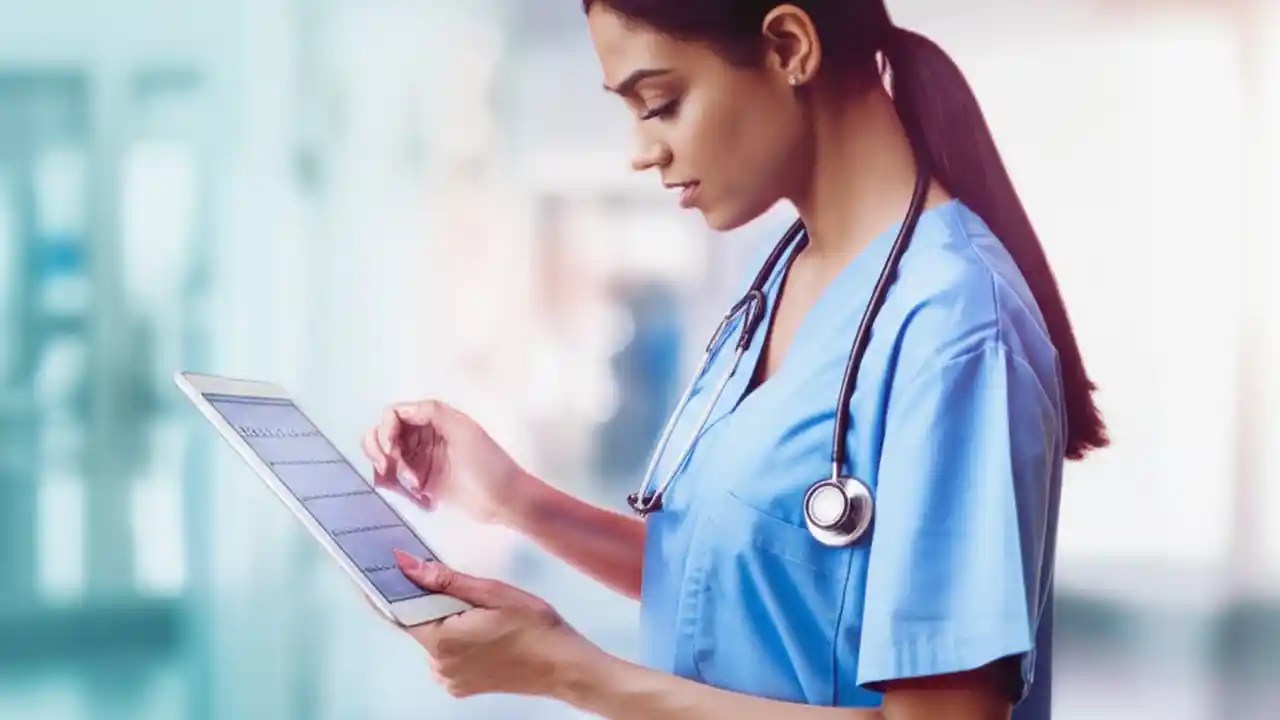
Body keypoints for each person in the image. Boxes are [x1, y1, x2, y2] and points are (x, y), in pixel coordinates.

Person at [362, 2, 1109, 718]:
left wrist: (566, 671)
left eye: (658, 103)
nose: (640, 150)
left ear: (789, 46)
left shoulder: (954, 330)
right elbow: (739, 576)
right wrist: (512, 498)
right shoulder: (782, 271)